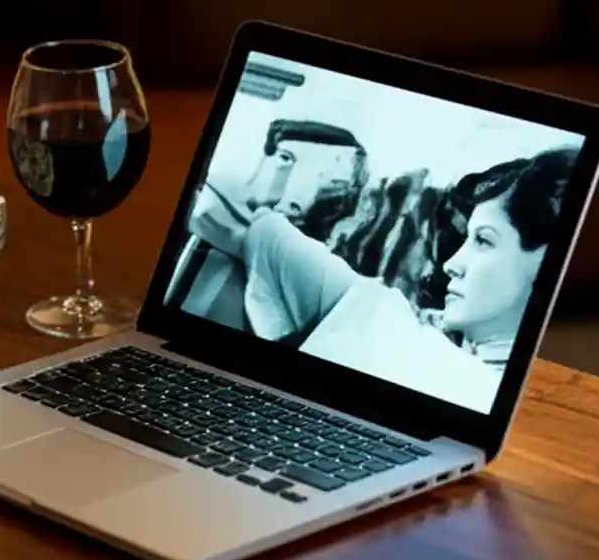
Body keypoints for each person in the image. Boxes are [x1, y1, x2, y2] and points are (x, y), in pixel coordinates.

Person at [189, 147, 577, 412]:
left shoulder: (422, 355)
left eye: (484, 241)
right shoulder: (420, 334)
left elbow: (267, 234)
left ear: (548, 261)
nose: (451, 266)